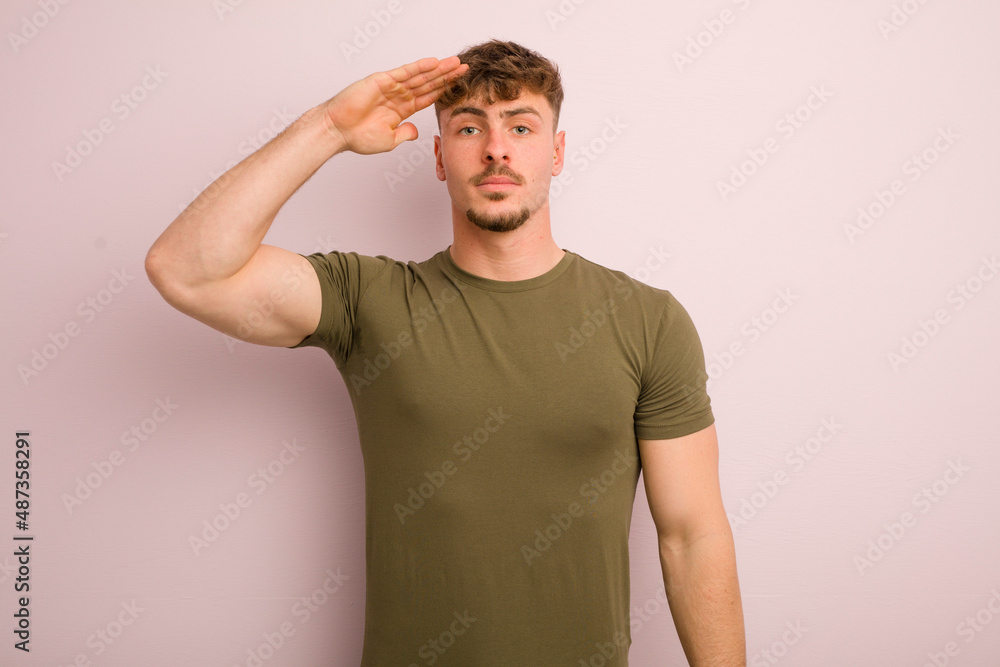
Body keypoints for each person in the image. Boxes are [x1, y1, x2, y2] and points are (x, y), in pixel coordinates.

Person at [146, 39, 745, 666]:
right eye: (468, 128)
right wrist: (328, 128)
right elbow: (186, 270)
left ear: (557, 152)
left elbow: (692, 537)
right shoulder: (370, 300)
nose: (496, 148)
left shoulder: (648, 320)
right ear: (438, 156)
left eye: (521, 125)